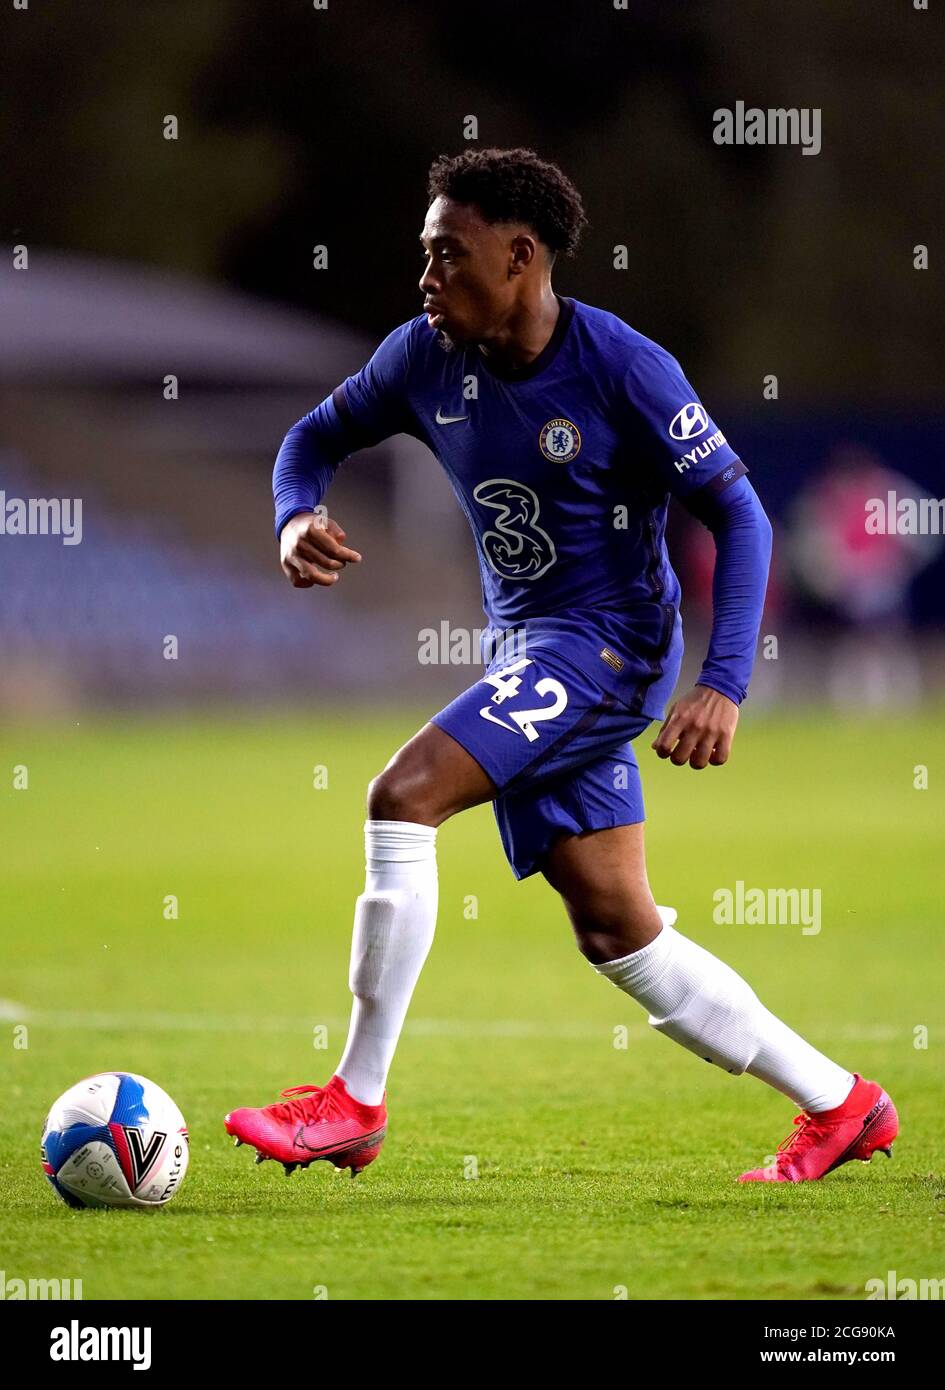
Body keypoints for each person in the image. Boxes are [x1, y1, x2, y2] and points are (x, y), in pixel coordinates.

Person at [225, 148, 896, 1183]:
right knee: (620, 931)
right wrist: (295, 513)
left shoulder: (623, 367)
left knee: (401, 797)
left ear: (522, 256)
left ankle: (353, 1099)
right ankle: (842, 1102)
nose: (428, 277)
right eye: (426, 254)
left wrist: (721, 681)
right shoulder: (421, 359)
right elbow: (312, 436)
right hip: (531, 648)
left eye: (450, 255)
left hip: (609, 646)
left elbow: (741, 510)